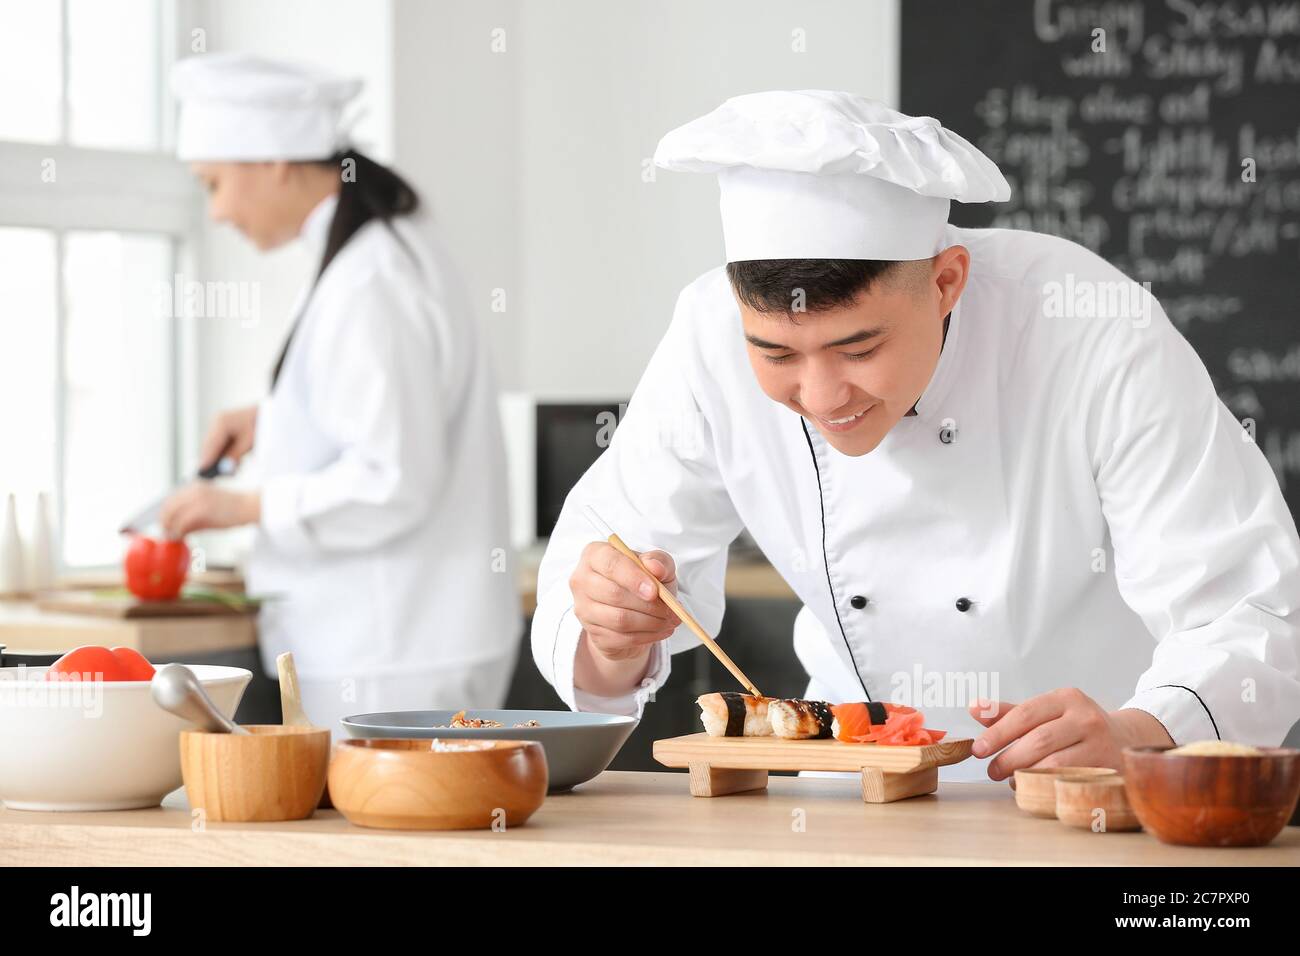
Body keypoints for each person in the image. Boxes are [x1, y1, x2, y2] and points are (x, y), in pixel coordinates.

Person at [530, 90, 1300, 782]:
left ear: (946, 281)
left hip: (1090, 791)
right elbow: (607, 570)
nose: (822, 396)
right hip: (852, 793)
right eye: (776, 354)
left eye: (859, 349)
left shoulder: (1089, 324)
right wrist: (615, 633)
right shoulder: (707, 335)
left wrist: (1142, 730)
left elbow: (1251, 607)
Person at [162, 53, 520, 735]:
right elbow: (389, 411)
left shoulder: (370, 279)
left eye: (213, 184)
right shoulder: (374, 252)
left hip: (395, 647)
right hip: (402, 638)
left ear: (273, 161)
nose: (215, 213)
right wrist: (274, 419)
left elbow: (394, 478)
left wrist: (245, 504)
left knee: (394, 842)